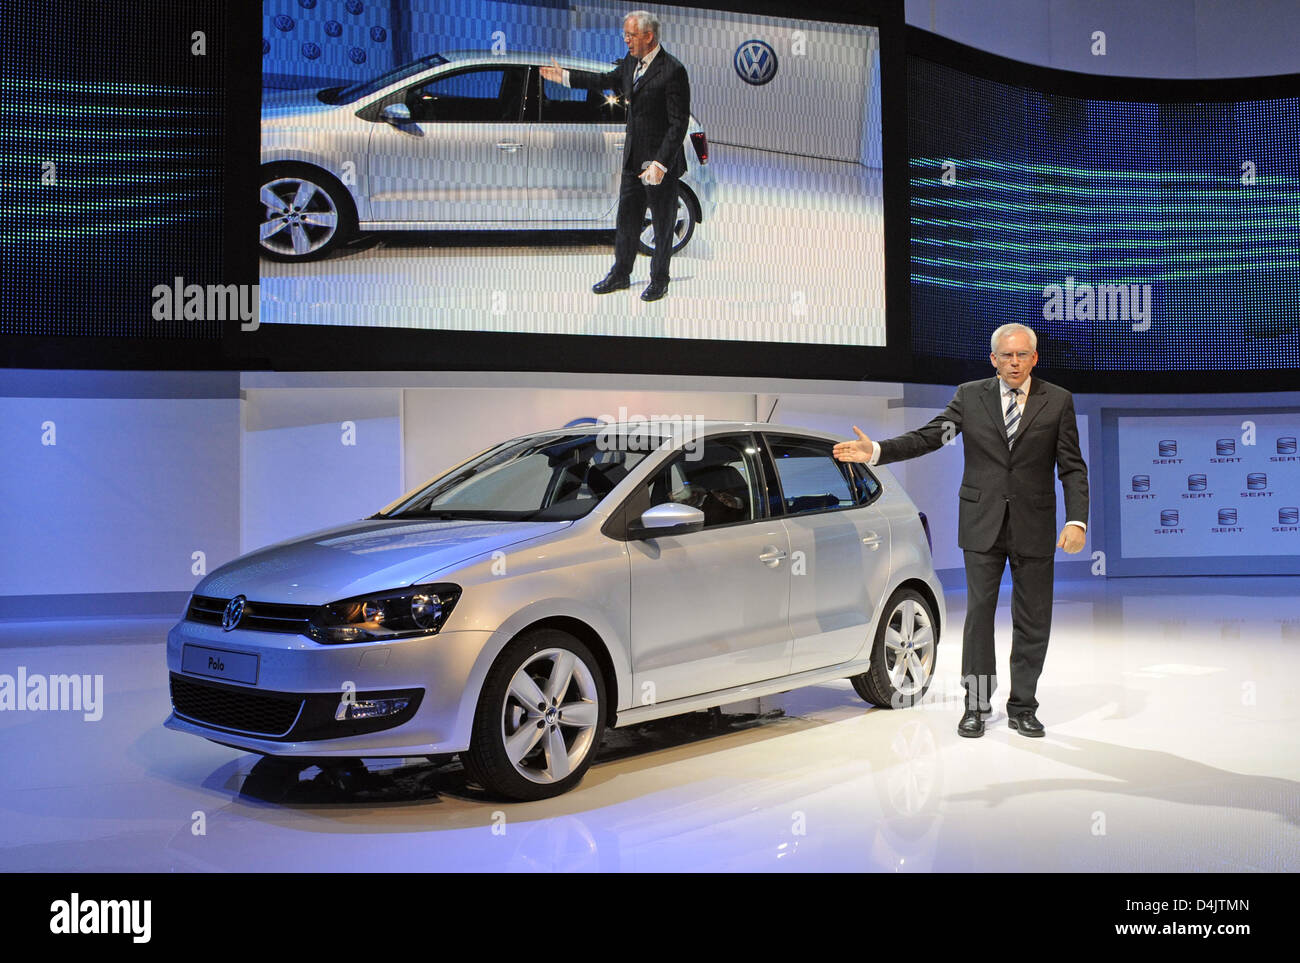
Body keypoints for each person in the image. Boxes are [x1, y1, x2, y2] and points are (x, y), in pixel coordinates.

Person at [833, 323, 1089, 738]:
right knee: (979, 619)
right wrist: (878, 451)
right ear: (993, 359)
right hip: (981, 524)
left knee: (1033, 620)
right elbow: (930, 437)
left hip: (1034, 524)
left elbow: (1072, 467)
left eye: (1022, 355)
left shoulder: (1057, 401)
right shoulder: (971, 396)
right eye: (1006, 355)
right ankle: (976, 705)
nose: (1014, 362)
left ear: (1034, 358)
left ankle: (1024, 706)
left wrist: (1076, 520)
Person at [540, 10, 689, 302]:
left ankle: (660, 279)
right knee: (627, 220)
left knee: (662, 222)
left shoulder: (673, 70)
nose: (626, 40)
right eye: (625, 34)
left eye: (631, 35)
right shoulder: (631, 61)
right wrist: (565, 77)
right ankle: (621, 274)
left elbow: (678, 123)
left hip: (659, 163)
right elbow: (602, 80)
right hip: (634, 159)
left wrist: (660, 164)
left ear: (649, 36)